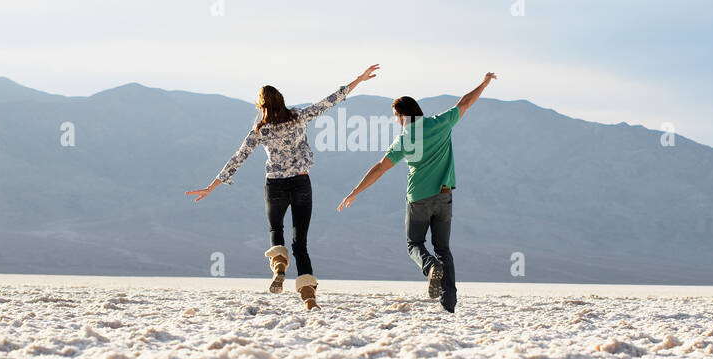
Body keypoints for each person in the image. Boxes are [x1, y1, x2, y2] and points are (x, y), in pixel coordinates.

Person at [187, 64, 379, 310]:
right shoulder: (298, 116)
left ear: (261, 106)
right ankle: (309, 298)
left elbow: (238, 157)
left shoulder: (260, 130)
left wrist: (211, 186)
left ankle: (279, 264)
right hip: (301, 182)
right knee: (301, 242)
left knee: (276, 229)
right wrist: (358, 80)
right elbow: (329, 101)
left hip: (275, 185)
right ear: (282, 100)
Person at [338, 72, 496, 313]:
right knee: (443, 248)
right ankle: (449, 304)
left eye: (395, 117)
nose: (395, 121)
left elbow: (380, 168)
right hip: (444, 196)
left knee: (414, 244)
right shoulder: (440, 122)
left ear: (403, 115)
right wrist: (483, 84)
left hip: (419, 197)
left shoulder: (405, 139)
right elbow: (464, 102)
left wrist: (355, 191)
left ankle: (430, 267)